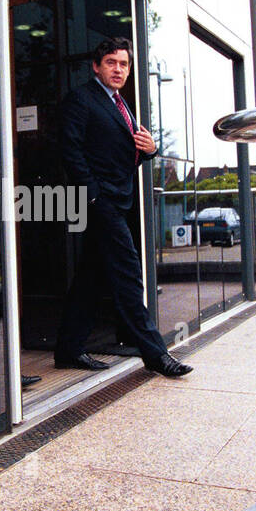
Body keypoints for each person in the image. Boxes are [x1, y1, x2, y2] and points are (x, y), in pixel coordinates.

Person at [54, 38, 193, 378]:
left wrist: (150, 149)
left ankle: (69, 350)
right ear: (96, 66)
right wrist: (94, 196)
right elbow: (70, 152)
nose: (118, 69)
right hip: (101, 203)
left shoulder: (120, 104)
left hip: (119, 199)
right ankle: (156, 355)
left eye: (124, 64)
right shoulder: (81, 100)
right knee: (129, 275)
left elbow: (125, 151)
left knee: (91, 278)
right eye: (111, 63)